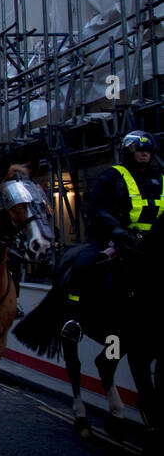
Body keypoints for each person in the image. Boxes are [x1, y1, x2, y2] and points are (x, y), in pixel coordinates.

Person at [62, 130, 163, 339]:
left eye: (148, 151)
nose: (144, 154)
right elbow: (96, 208)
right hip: (119, 238)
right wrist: (117, 229)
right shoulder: (112, 176)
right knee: (83, 264)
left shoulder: (160, 179)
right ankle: (74, 319)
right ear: (128, 152)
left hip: (154, 240)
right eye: (139, 150)